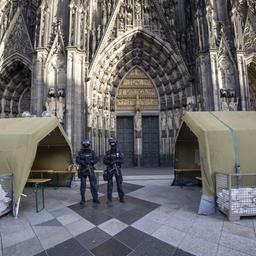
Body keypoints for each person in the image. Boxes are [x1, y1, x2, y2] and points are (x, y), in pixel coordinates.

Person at [76, 139, 99, 205]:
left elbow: (96, 159)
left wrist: (91, 162)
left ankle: (95, 198)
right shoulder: (80, 152)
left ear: (88, 145)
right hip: (83, 169)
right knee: (83, 185)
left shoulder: (92, 152)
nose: (86, 146)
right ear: (83, 145)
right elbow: (77, 159)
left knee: (93, 185)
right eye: (85, 145)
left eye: (87, 145)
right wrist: (82, 162)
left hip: (90, 169)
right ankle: (83, 199)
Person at [103, 138, 125, 203]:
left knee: (119, 184)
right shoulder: (108, 152)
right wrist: (110, 162)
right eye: (111, 144)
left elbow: (122, 160)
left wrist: (116, 161)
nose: (112, 145)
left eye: (113, 144)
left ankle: (121, 198)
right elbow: (104, 161)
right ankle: (109, 199)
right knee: (109, 184)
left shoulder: (119, 152)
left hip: (117, 168)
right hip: (110, 168)